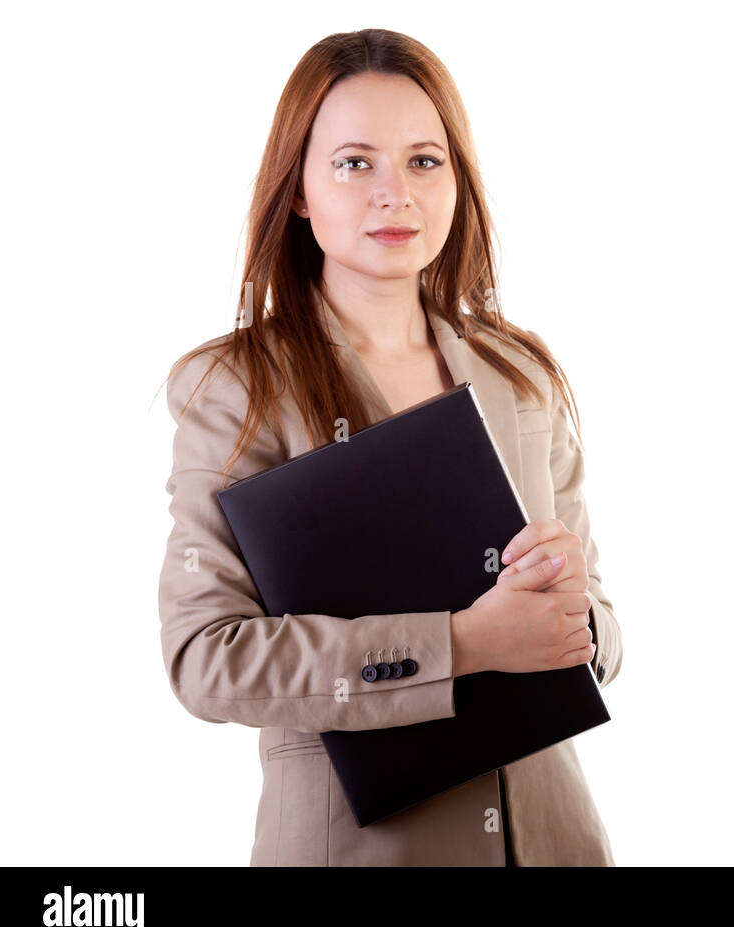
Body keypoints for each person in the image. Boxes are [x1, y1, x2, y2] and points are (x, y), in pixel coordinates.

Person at [157, 28, 621, 866]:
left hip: (555, 842)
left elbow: (607, 636)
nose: (394, 194)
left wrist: (575, 617)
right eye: (353, 162)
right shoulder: (238, 387)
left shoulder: (520, 377)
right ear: (297, 190)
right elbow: (206, 660)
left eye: (424, 161)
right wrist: (466, 644)